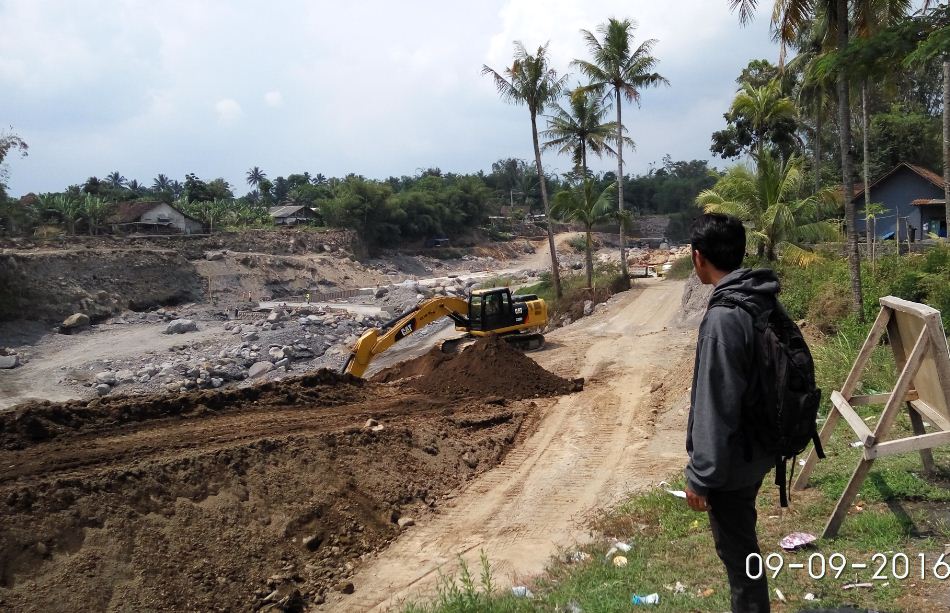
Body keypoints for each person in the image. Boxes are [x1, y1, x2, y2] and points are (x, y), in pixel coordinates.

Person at [684, 213, 777, 613]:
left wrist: (701, 477)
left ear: (698, 258)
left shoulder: (722, 319)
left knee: (741, 562)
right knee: (745, 548)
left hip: (734, 461)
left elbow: (715, 406)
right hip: (758, 447)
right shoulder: (759, 296)